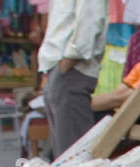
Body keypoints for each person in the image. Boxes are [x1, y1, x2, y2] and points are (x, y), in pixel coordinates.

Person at [38, 0, 108, 157]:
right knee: (64, 152)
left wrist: (68, 61)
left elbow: (90, 22)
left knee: (73, 154)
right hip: (61, 69)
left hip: (72, 70)